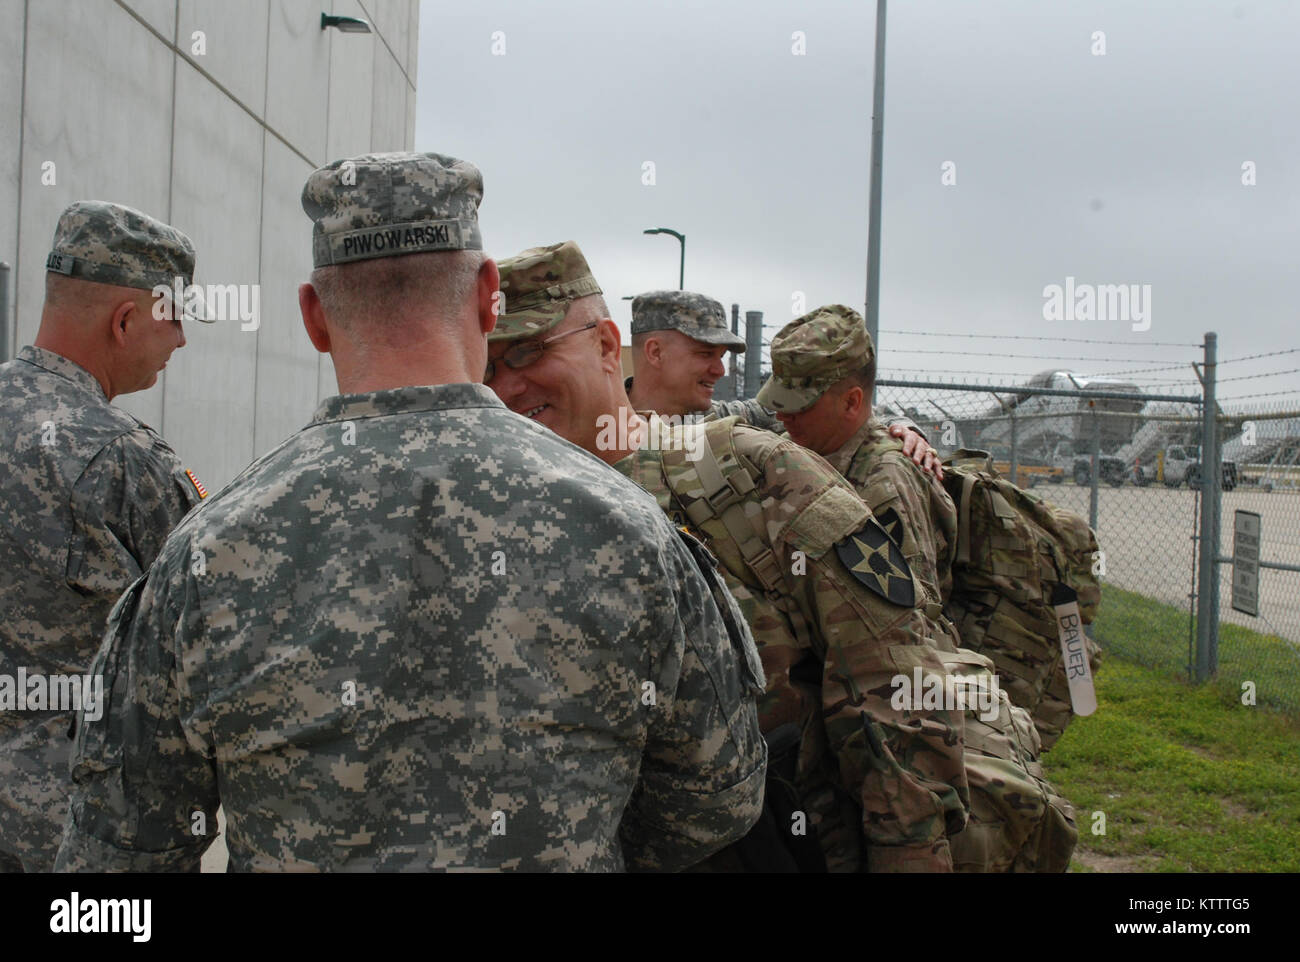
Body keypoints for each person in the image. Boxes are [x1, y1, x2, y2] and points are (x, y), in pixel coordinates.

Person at [55, 153, 765, 873]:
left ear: (314, 318)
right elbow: (716, 799)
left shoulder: (206, 551)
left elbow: (120, 853)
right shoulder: (631, 530)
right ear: (489, 294)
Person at [488, 242, 974, 871]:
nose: (505, 386)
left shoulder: (751, 473)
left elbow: (895, 682)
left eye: (528, 353)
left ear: (609, 347)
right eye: (488, 366)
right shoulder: (494, 512)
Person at [0, 201, 210, 873]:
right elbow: (208, 641)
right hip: (69, 847)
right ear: (125, 321)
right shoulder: (123, 460)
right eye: (175, 317)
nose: (181, 340)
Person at [757, 305, 957, 606]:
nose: (782, 415)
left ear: (851, 402)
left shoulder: (885, 479)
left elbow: (914, 615)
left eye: (799, 405)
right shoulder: (792, 450)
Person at [627, 289, 943, 473]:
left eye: (722, 356)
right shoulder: (594, 425)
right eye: (705, 354)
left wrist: (904, 429)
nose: (720, 370)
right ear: (655, 353)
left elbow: (843, 412)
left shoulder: (721, 421)